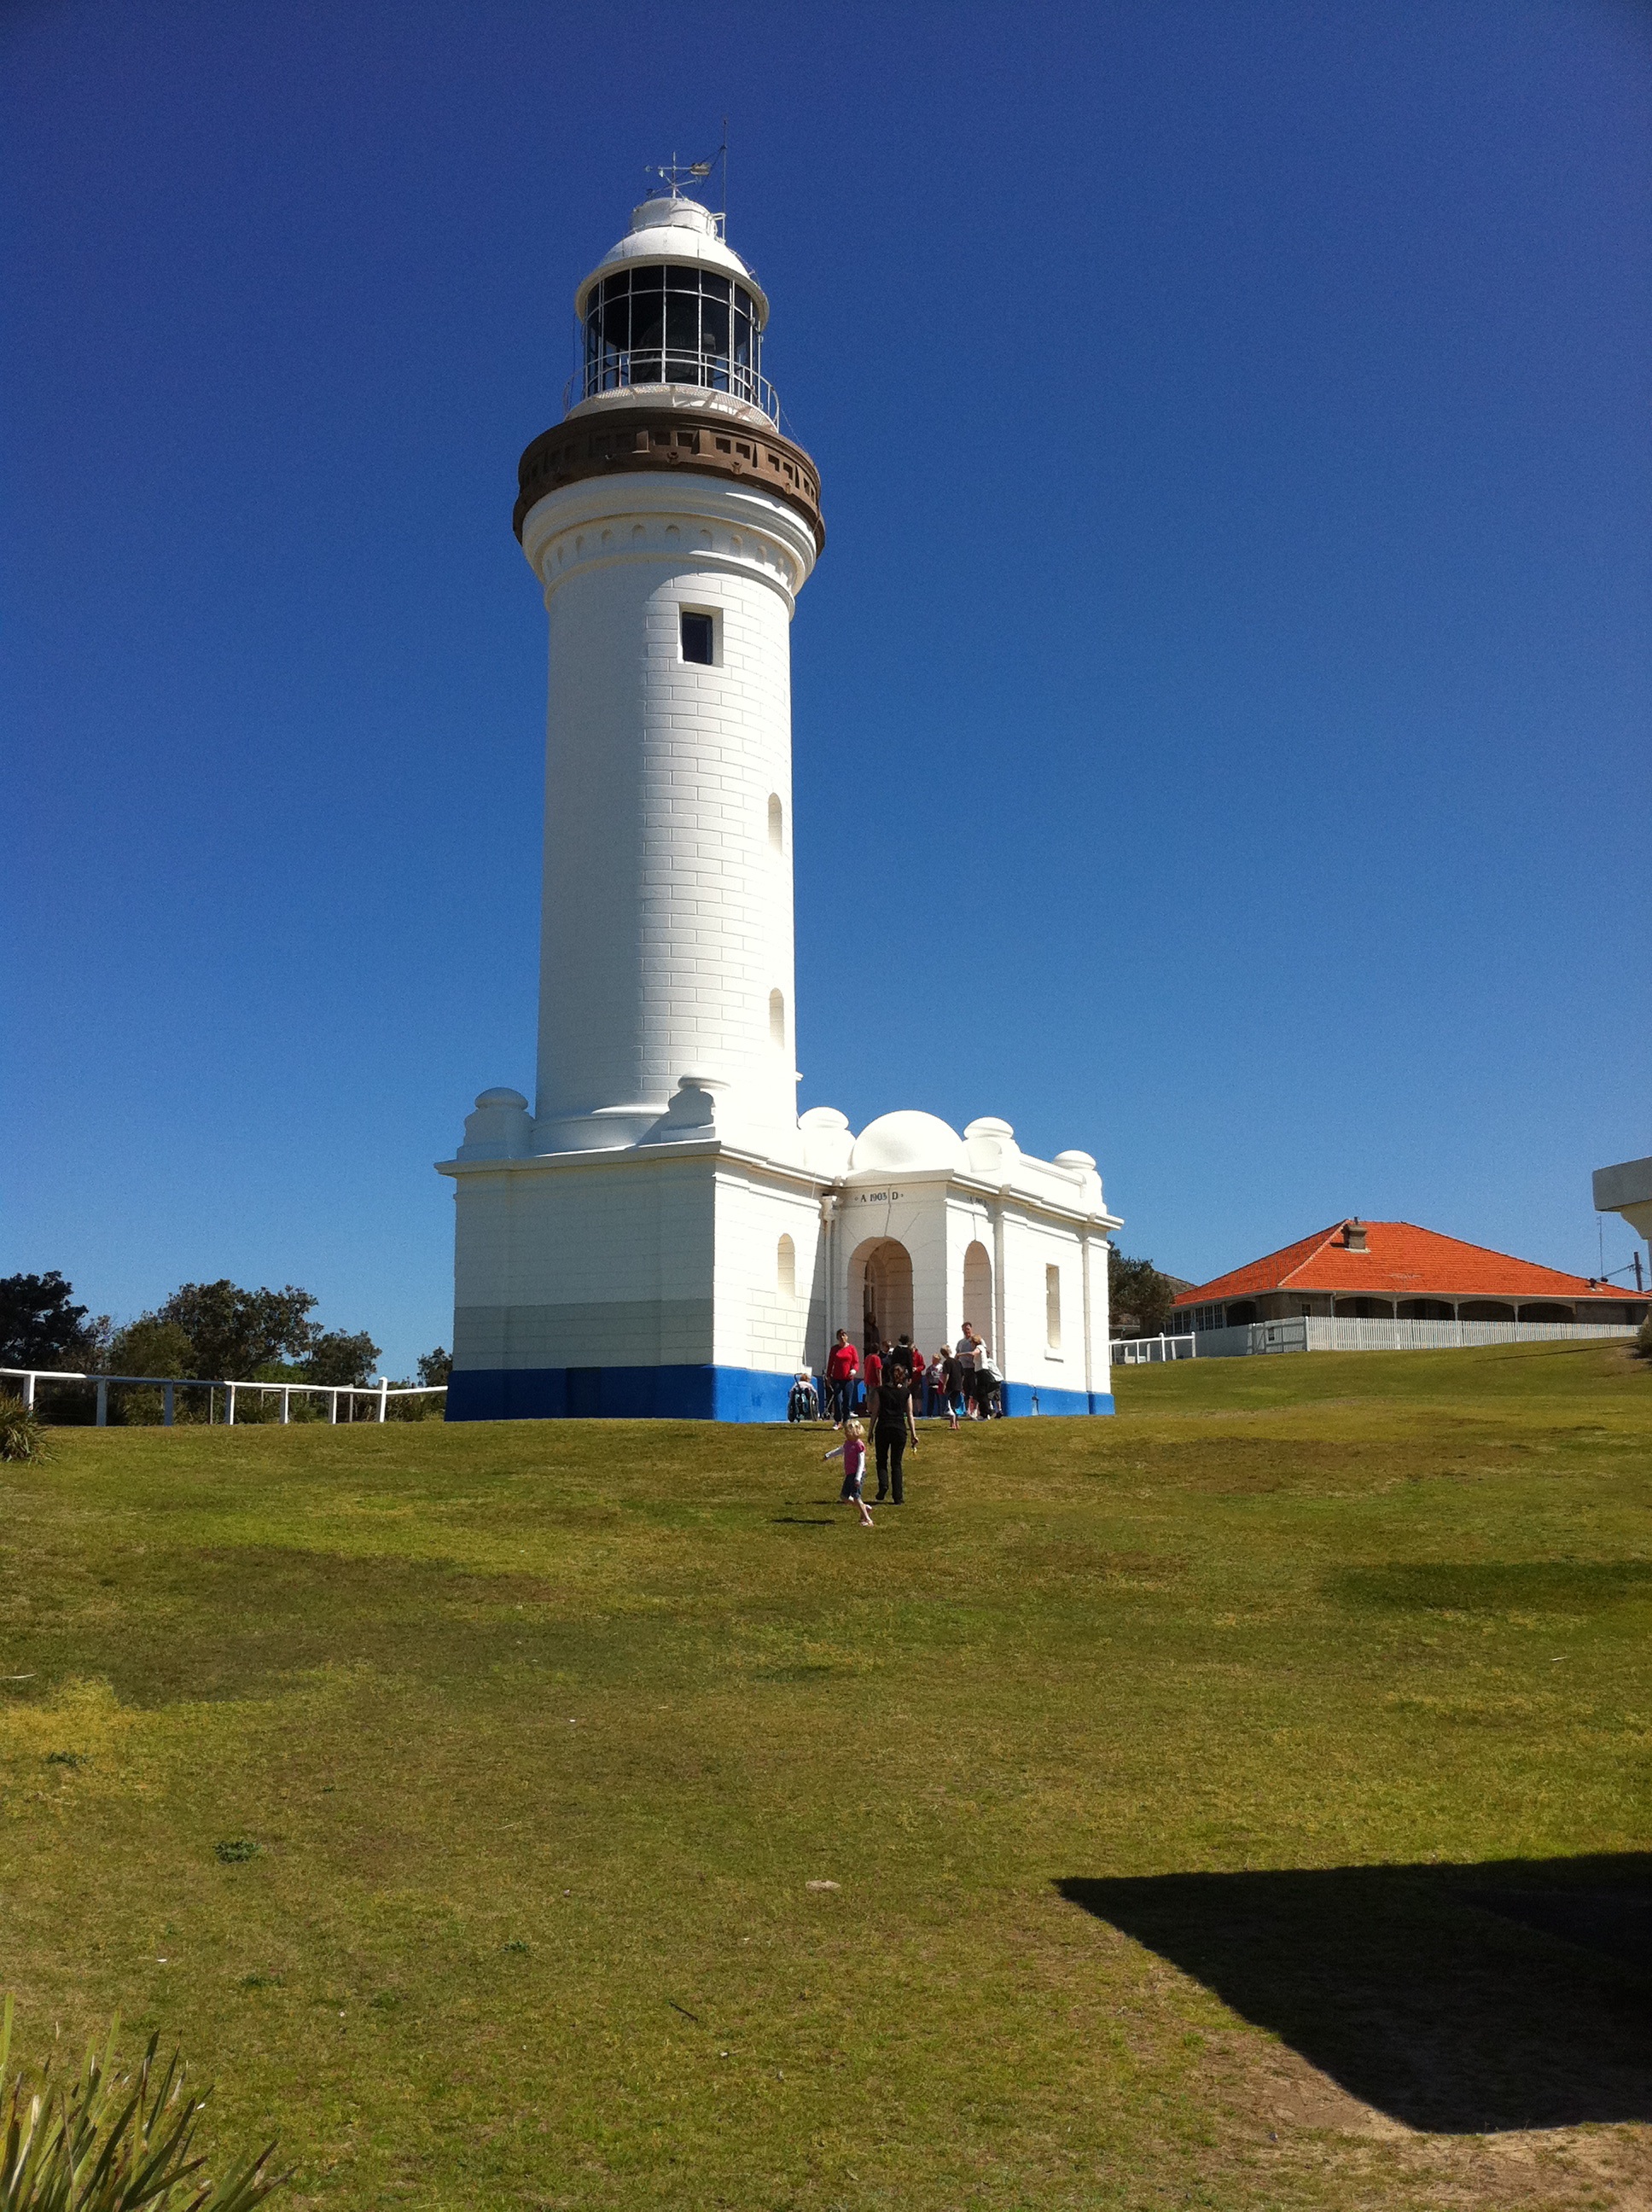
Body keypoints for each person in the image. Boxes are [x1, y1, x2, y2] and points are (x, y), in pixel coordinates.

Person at [870, 1359, 918, 1504]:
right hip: (899, 1429)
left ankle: (883, 1485)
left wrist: (870, 1430)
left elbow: (875, 1412)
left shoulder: (881, 1391)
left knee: (882, 1460)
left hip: (883, 1427)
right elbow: (910, 1414)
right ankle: (898, 1497)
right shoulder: (906, 1393)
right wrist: (913, 1434)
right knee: (896, 1463)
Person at [823, 1417, 874, 1526]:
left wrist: (858, 1477)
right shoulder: (847, 1444)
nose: (845, 1434)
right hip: (849, 1474)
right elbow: (840, 1450)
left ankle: (868, 1520)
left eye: (847, 1432)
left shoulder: (859, 1446)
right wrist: (828, 1455)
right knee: (844, 1496)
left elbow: (861, 1463)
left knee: (856, 1497)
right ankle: (864, 1507)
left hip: (857, 1474)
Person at [824, 1330, 859, 1427]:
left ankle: (846, 1420)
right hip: (837, 1379)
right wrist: (828, 1376)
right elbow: (831, 1363)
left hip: (848, 1379)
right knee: (838, 1400)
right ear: (838, 1338)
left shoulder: (852, 1348)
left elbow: (856, 1362)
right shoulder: (834, 1349)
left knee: (847, 1400)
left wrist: (854, 1370)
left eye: (844, 1335)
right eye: (840, 1336)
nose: (842, 1337)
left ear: (847, 1337)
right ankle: (837, 1420)